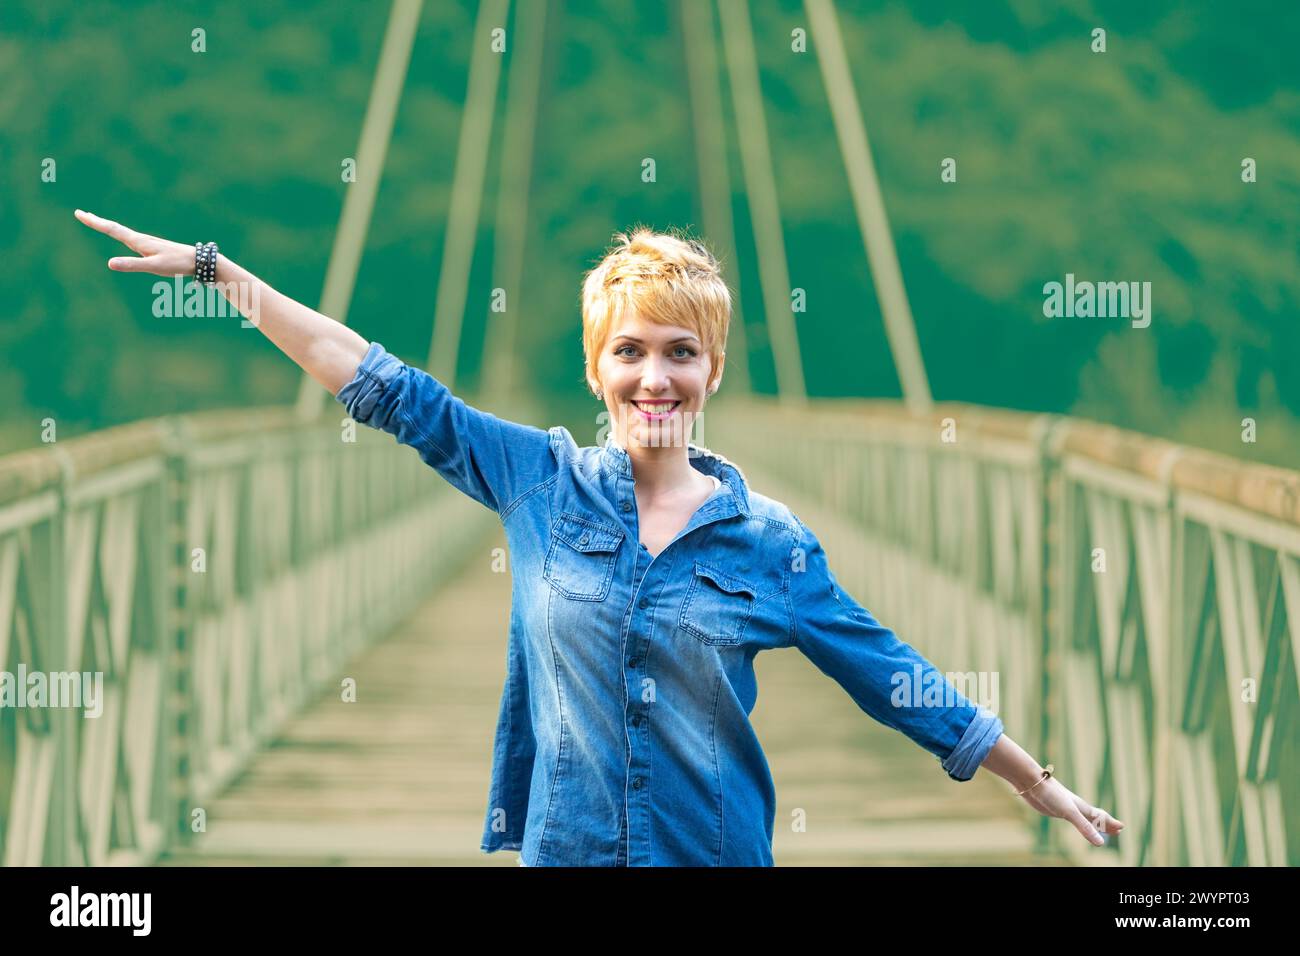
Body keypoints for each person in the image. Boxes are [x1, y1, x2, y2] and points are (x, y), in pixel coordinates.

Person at [75, 211, 1124, 866]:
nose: (653, 376)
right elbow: (383, 384)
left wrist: (1037, 784)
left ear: (712, 371)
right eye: (629, 350)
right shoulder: (537, 481)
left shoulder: (770, 544)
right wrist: (220, 274)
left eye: (681, 352)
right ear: (595, 367)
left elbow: (894, 675)